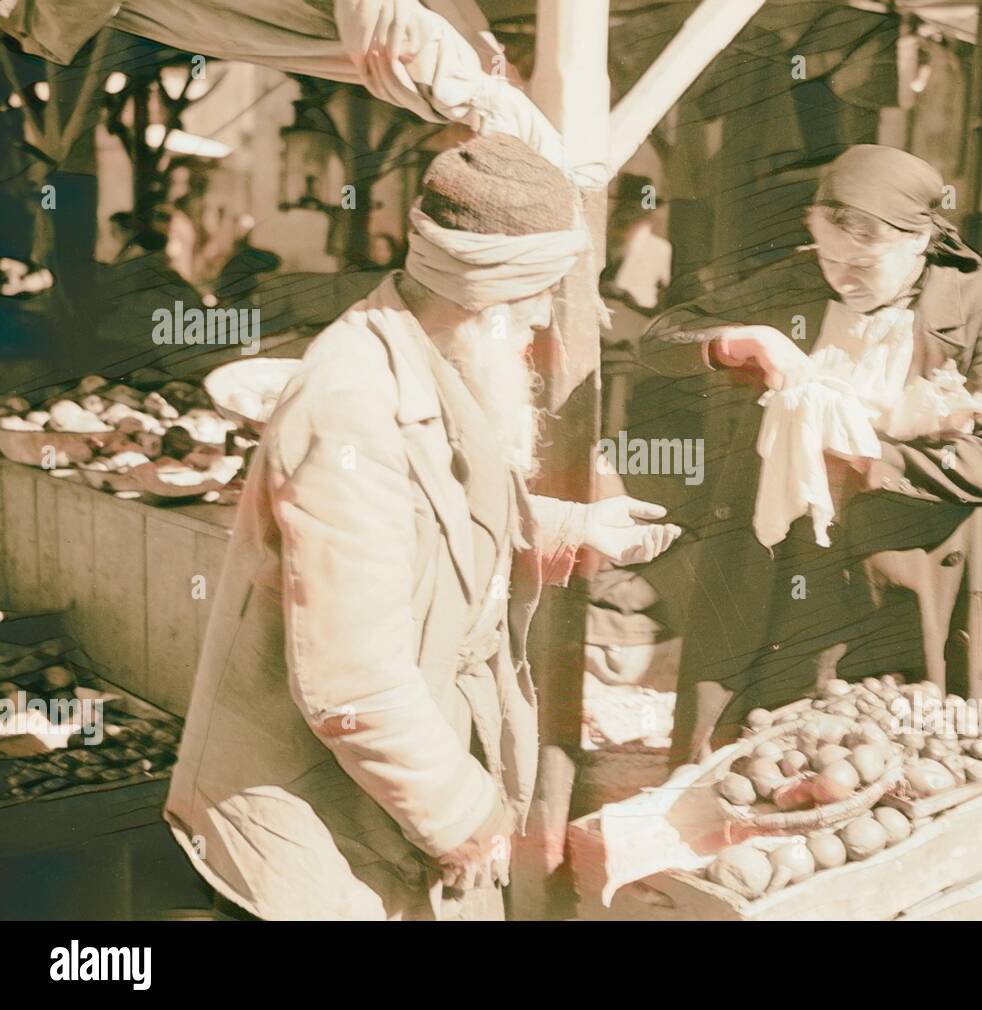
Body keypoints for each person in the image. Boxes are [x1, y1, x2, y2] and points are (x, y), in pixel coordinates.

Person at [163, 135, 680, 921]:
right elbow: (354, 682)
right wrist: (467, 818)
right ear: (484, 293)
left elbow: (433, 519)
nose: (544, 318)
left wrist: (576, 526)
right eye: (537, 294)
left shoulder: (433, 355)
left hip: (385, 792)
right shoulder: (349, 406)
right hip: (320, 813)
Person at [638, 145, 982, 763]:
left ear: (920, 240)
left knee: (881, 748)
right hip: (776, 551)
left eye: (862, 260)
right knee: (755, 746)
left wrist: (859, 451)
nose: (839, 275)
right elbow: (659, 340)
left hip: (905, 564)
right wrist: (737, 340)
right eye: (828, 252)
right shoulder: (798, 280)